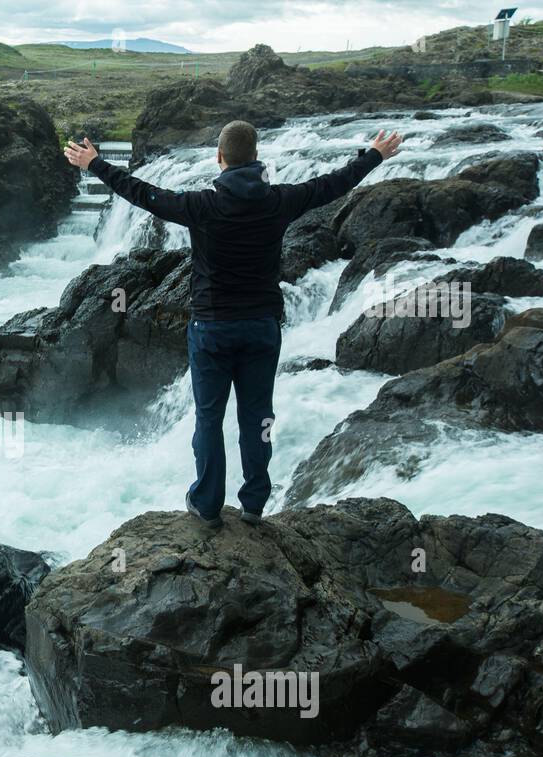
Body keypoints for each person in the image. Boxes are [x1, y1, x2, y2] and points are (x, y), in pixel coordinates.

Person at [64, 122, 402, 528]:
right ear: (256, 158)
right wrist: (374, 155)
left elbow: (143, 194)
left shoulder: (201, 206)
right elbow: (333, 184)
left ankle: (207, 504)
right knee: (258, 417)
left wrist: (96, 163)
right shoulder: (281, 201)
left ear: (219, 159)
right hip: (261, 328)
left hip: (212, 329)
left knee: (209, 417)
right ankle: (254, 504)